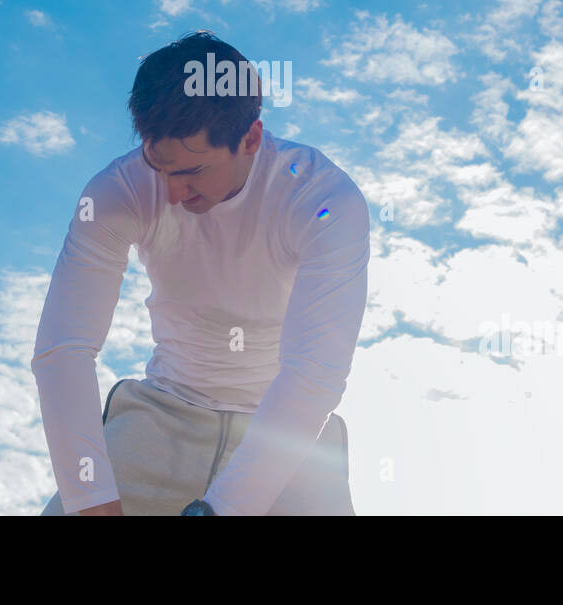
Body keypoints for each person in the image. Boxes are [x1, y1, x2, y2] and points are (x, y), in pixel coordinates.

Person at [32, 30, 371, 515]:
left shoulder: (324, 200)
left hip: (289, 438)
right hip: (162, 414)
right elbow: (64, 349)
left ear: (251, 138)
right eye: (159, 165)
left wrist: (222, 509)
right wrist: (90, 500)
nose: (172, 192)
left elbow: (314, 372)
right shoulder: (114, 193)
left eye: (192, 171)